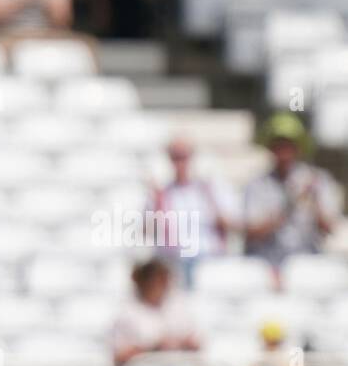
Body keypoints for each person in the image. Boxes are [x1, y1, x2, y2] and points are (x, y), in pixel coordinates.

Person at [243, 113, 342, 272]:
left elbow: (329, 228)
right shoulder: (256, 185)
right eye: (279, 146)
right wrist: (291, 204)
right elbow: (252, 233)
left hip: (307, 262)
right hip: (268, 262)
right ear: (270, 148)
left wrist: (314, 201)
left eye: (288, 146)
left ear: (298, 148)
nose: (284, 152)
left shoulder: (317, 180)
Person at [145, 135, 237, 287]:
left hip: (209, 258)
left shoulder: (213, 189)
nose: (180, 162)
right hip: (173, 261)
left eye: (183, 157)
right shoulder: (160, 194)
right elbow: (147, 232)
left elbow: (231, 224)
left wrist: (212, 200)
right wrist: (157, 203)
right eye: (175, 157)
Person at [111, 258, 201, 366]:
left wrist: (179, 343)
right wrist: (153, 347)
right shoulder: (127, 312)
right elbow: (119, 357)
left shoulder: (177, 307)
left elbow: (196, 343)